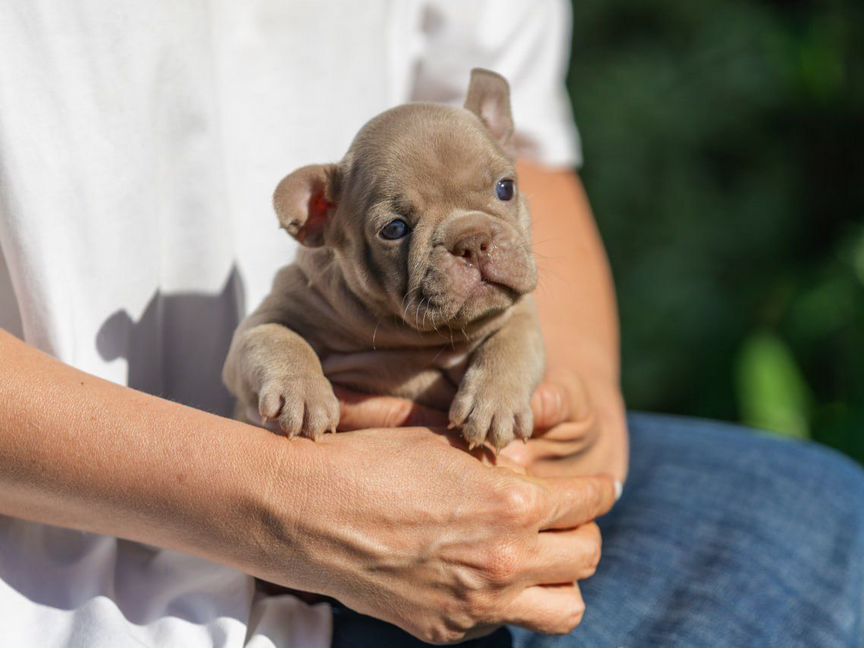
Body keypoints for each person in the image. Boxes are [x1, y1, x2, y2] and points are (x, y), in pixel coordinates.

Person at [0, 1, 861, 647]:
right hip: (119, 543)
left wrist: (571, 421)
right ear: (318, 218)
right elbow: (263, 342)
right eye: (400, 228)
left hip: (476, 507)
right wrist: (288, 484)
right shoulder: (312, 291)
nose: (476, 241)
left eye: (495, 196)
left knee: (828, 520)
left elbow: (540, 182)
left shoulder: (489, 159)